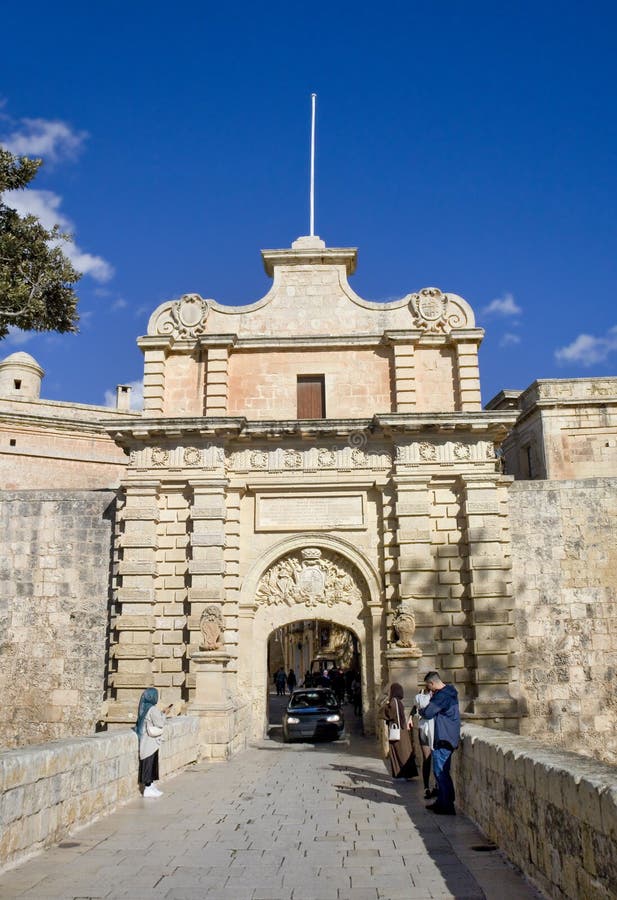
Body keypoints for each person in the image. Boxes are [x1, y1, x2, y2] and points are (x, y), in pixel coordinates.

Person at [421, 671, 460, 815]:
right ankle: (443, 801)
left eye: (428, 686)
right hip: (449, 735)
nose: (429, 689)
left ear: (432, 683)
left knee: (440, 771)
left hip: (444, 737)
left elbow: (428, 712)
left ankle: (446, 804)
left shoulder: (442, 696)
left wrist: (421, 709)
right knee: (442, 771)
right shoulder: (450, 692)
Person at [136, 688, 172, 798]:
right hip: (150, 742)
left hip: (148, 742)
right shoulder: (152, 709)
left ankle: (151, 786)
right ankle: (147, 788)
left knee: (151, 763)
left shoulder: (145, 708)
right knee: (149, 764)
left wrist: (160, 713)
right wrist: (165, 713)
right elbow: (160, 723)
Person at [379, 683, 418, 780]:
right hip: (401, 730)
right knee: (403, 751)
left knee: (400, 752)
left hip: (397, 732)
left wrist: (384, 705)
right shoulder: (398, 701)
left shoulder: (393, 702)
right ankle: (405, 773)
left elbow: (388, 713)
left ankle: (403, 773)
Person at [413, 686, 436, 800]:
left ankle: (426, 787)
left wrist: (410, 719)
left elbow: (415, 709)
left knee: (426, 759)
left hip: (422, 727)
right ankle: (434, 786)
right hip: (431, 727)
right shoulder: (436, 695)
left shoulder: (419, 695)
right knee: (432, 758)